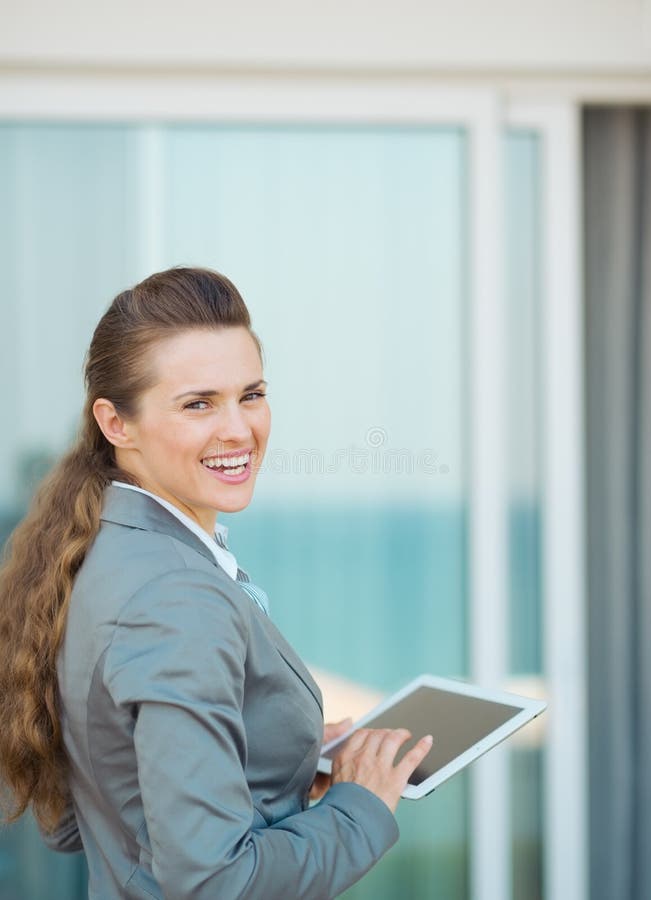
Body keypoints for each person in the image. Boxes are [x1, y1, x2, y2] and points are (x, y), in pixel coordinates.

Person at [0, 267, 433, 899]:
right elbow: (212, 883)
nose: (238, 430)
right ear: (116, 424)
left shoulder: (99, 552)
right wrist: (359, 807)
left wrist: (278, 769)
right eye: (198, 403)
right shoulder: (175, 596)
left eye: (250, 394)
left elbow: (81, 815)